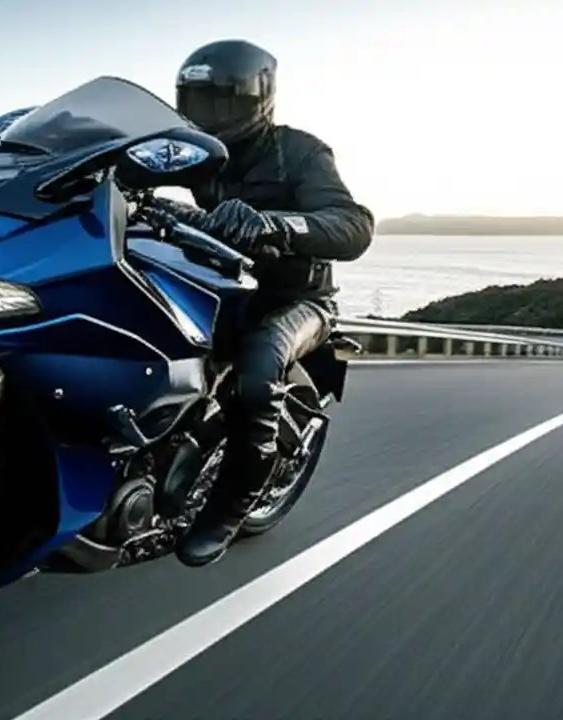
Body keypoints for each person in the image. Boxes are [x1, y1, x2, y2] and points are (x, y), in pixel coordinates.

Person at [153, 39, 375, 567]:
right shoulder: (197, 153)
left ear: (259, 99)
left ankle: (228, 508)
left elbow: (353, 225)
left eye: (223, 102)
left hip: (298, 300)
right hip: (224, 286)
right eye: (200, 102)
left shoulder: (300, 152)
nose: (211, 115)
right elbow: (127, 171)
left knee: (257, 373)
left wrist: (280, 223)